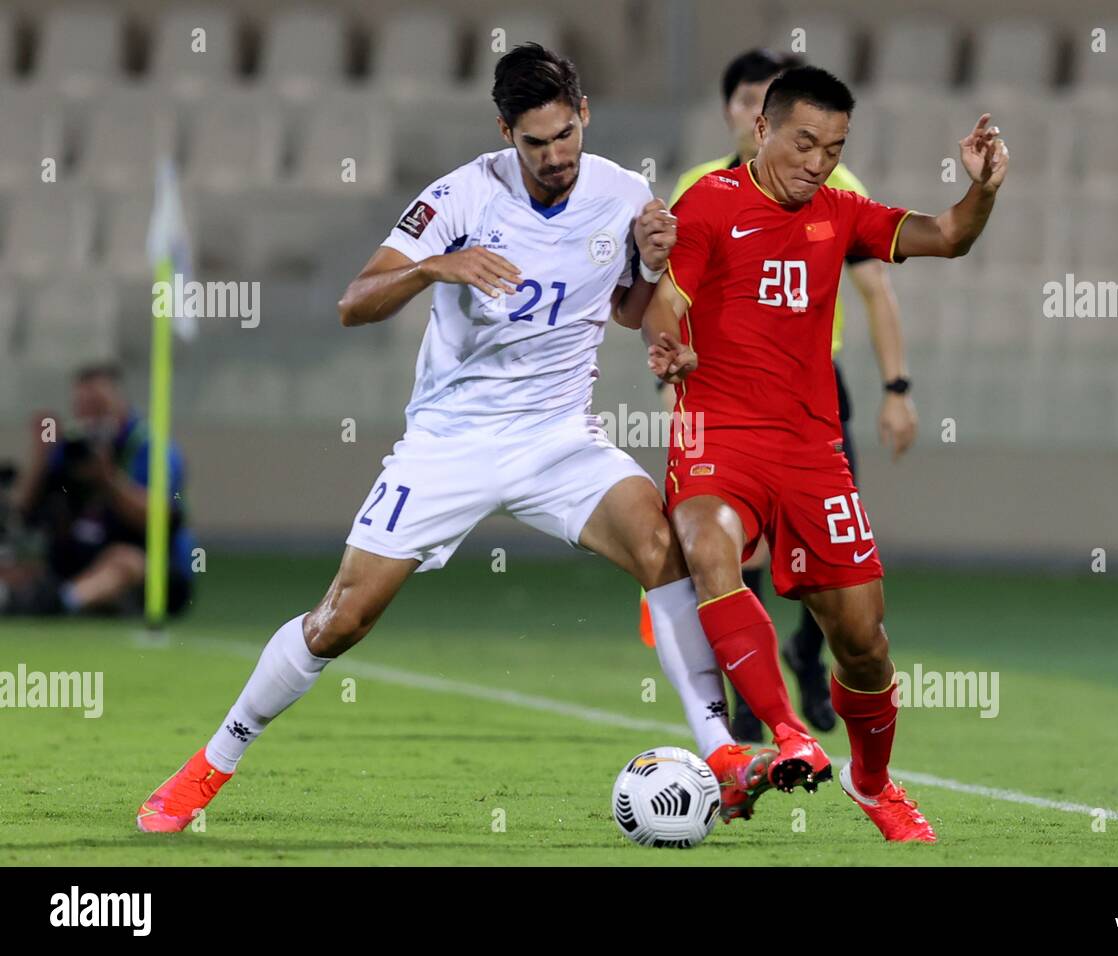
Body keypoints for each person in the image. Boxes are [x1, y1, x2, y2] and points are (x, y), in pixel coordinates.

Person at [135, 44, 781, 834]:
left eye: (565, 136)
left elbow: (626, 308)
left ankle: (722, 754)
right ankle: (210, 765)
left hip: (557, 437)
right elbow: (354, 302)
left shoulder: (623, 191)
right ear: (506, 132)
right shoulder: (461, 195)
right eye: (535, 143)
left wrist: (650, 269)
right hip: (451, 442)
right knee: (342, 617)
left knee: (665, 549)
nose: (555, 158)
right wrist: (438, 267)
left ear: (584, 116)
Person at [642, 66, 1009, 842]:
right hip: (718, 435)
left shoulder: (840, 212)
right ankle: (786, 734)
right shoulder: (708, 202)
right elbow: (666, 301)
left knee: (865, 644)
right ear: (763, 129)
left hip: (812, 448)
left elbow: (947, 236)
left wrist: (982, 190)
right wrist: (670, 349)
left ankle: (872, 784)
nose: (817, 161)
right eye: (805, 142)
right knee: (709, 545)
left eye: (833, 147)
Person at [644, 48, 918, 739]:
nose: (748, 112)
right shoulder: (700, 186)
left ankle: (806, 649)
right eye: (741, 100)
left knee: (824, 553)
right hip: (723, 399)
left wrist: (897, 386)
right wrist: (670, 359)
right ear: (742, 116)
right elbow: (669, 296)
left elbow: (875, 286)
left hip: (815, 396)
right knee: (732, 550)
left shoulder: (832, 183)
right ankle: (749, 705)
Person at [0, 363, 195, 618]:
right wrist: (40, 457)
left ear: (121, 404)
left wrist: (109, 480)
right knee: (18, 565)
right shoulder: (72, 449)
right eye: (83, 408)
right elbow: (23, 513)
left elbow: (162, 518)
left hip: (148, 568)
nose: (91, 417)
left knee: (123, 561)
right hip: (79, 558)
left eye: (99, 406)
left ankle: (62, 601)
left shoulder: (150, 449)